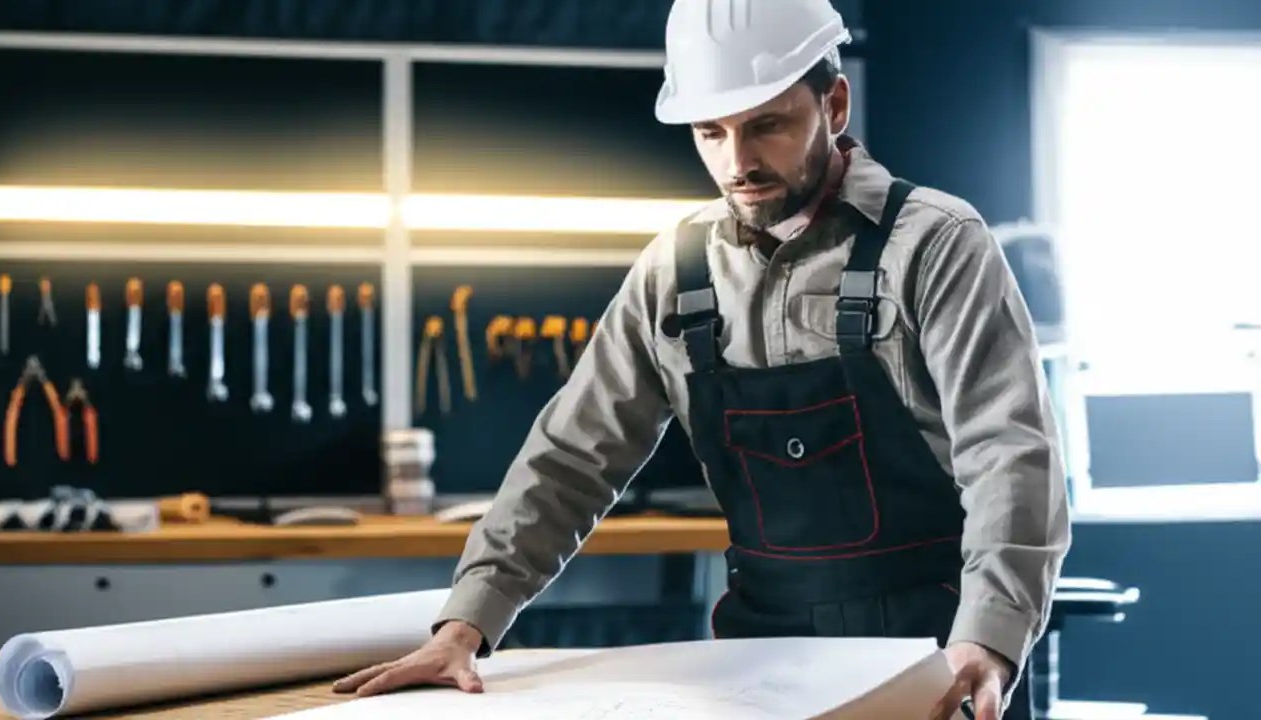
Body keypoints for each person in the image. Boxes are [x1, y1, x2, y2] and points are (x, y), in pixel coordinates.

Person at [334, 1, 1070, 718]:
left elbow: (1008, 456)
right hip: (760, 666)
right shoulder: (676, 271)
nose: (737, 162)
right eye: (711, 132)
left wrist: (989, 639)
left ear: (834, 104)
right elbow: (569, 459)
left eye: (768, 126)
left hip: (935, 665)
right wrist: (467, 623)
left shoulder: (936, 245)